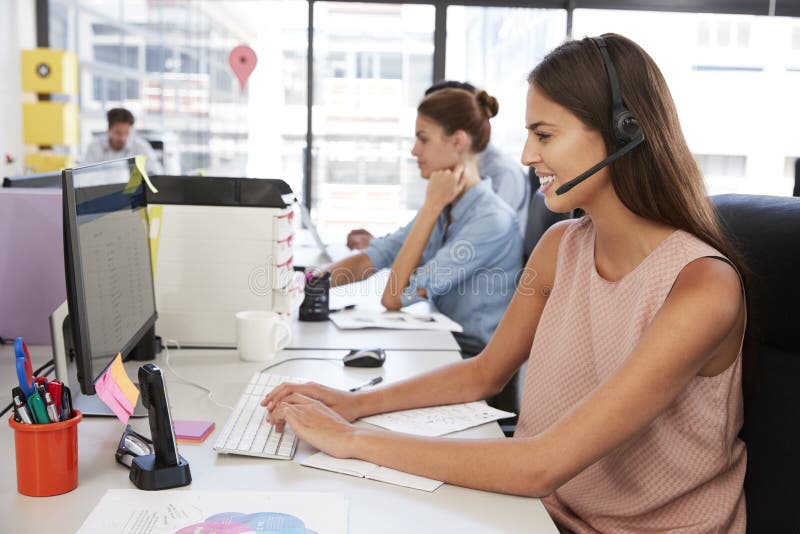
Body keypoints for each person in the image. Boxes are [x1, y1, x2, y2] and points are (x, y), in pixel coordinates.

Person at [264, 33, 749, 532]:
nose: (524, 155)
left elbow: (541, 466)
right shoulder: (561, 246)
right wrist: (353, 404)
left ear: (623, 133)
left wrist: (352, 440)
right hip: (541, 514)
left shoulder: (701, 286)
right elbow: (484, 374)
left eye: (543, 135)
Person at [323, 87, 522, 356]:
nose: (415, 150)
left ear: (458, 142)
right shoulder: (446, 206)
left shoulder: (490, 220)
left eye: (423, 139)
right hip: (442, 342)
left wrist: (430, 206)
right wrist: (304, 283)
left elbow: (393, 297)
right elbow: (378, 255)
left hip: (471, 357)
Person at [346, 81, 530, 250]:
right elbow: (428, 240)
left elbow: (475, 241)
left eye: (425, 138)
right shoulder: (450, 186)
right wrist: (383, 247)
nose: (415, 150)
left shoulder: (501, 175)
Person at [82, 107, 163, 175]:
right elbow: (85, 175)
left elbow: (155, 173)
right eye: (118, 133)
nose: (122, 138)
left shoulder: (141, 147)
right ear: (109, 130)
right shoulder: (94, 147)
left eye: (126, 133)